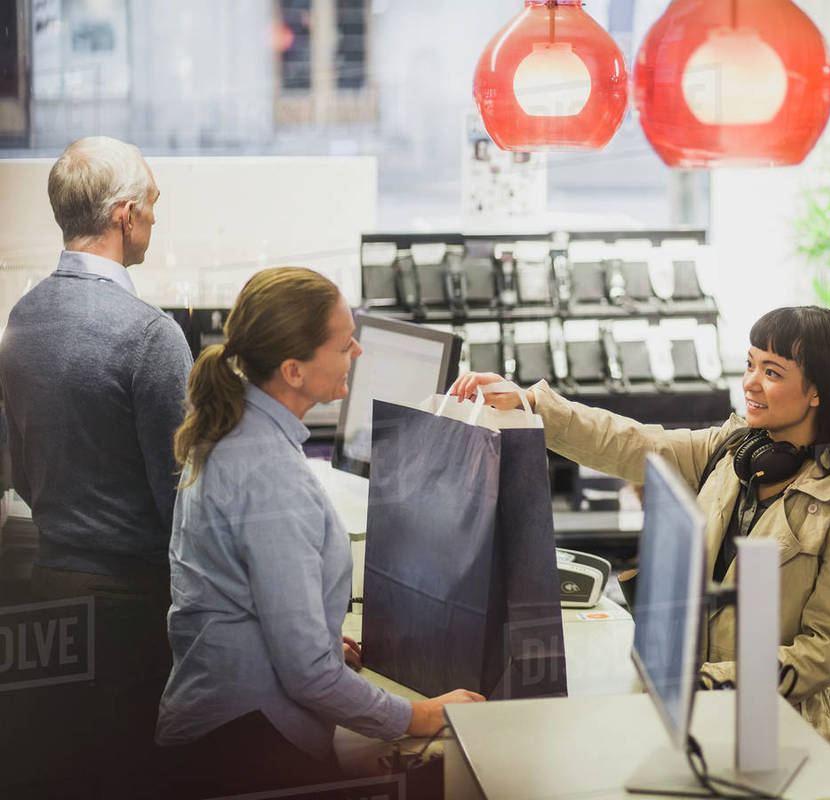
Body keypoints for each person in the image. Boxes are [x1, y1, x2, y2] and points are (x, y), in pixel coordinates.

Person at [451, 305, 830, 756]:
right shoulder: (730, 451)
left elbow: (824, 653)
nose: (751, 382)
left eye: (772, 371)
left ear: (817, 390)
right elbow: (635, 442)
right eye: (750, 364)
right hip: (691, 718)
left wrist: (709, 681)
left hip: (781, 737)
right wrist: (536, 404)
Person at [157, 267, 484, 798]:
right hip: (243, 748)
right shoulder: (271, 476)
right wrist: (420, 716)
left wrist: (320, 636)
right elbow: (307, 676)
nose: (357, 352)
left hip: (220, 727)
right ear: (293, 370)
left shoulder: (240, 432)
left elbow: (241, 591)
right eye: (342, 344)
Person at [0, 136, 190, 797]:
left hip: (46, 597)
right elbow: (184, 507)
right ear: (124, 214)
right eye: (154, 205)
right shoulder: (149, 336)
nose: (156, 220)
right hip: (135, 614)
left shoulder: (21, 321)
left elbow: (18, 465)